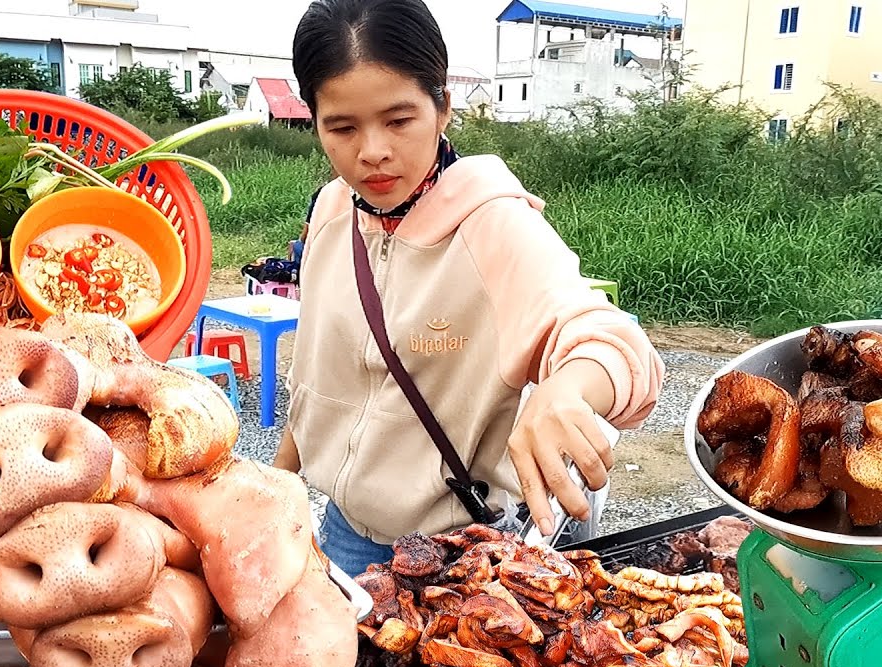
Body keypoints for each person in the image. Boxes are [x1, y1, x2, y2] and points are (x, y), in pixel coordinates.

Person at [274, 0, 667, 577]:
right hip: (342, 534)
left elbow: (613, 341)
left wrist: (570, 390)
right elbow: (315, 375)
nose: (373, 150)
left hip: (460, 552)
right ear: (314, 121)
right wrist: (275, 485)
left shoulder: (494, 225)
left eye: (399, 119)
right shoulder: (333, 212)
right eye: (342, 127)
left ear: (443, 109)